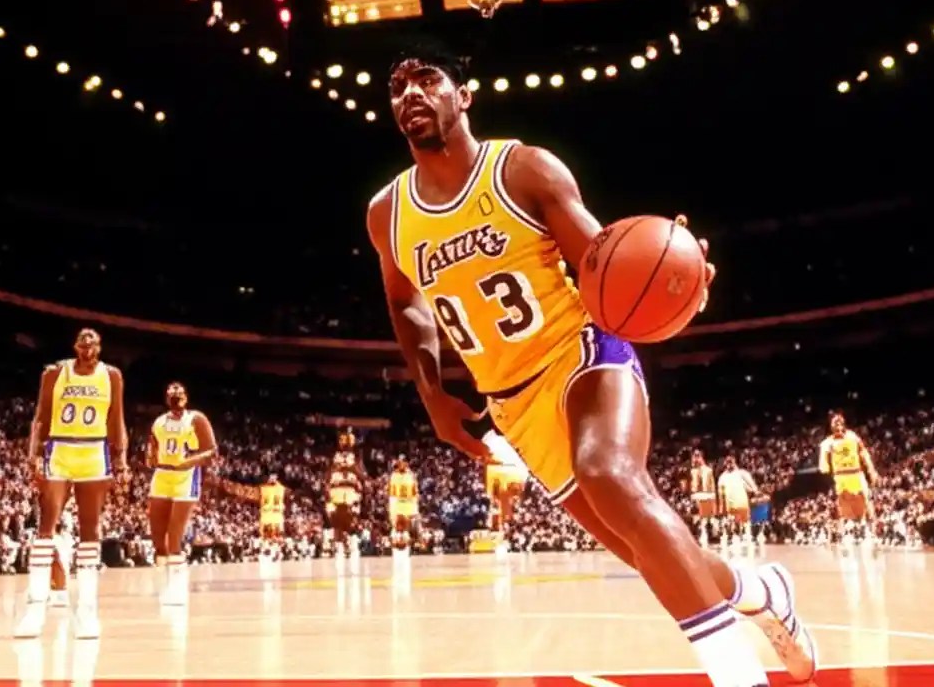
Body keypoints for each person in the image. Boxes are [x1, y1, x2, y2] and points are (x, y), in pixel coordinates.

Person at [365, 39, 815, 687]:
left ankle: (736, 677)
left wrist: (674, 275)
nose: (410, 92)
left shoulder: (522, 171)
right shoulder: (388, 214)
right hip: (510, 401)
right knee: (648, 552)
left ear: (464, 96)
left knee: (607, 471)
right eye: (397, 84)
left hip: (582, 354)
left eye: (427, 78)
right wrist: (432, 392)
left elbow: (604, 261)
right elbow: (405, 301)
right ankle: (761, 591)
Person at [16, 328, 128, 639]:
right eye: (83, 340)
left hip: (94, 452)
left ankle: (88, 611)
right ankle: (35, 607)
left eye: (93, 340)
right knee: (45, 526)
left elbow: (116, 418)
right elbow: (41, 416)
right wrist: (33, 454)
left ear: (100, 347)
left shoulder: (112, 376)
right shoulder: (55, 372)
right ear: (75, 345)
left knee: (91, 530)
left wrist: (121, 458)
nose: (87, 344)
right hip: (60, 450)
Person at [147, 382, 217, 605]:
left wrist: (187, 463)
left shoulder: (196, 419)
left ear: (186, 397)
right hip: (162, 474)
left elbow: (212, 451)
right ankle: (163, 582)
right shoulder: (159, 421)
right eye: (171, 394)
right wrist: (149, 454)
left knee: (174, 534)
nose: (175, 397)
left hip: (186, 476)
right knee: (158, 536)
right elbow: (153, 446)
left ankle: (176, 587)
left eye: (179, 394)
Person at [818, 412, 879, 547]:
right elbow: (823, 467)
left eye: (840, 421)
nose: (838, 423)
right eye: (835, 422)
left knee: (866, 500)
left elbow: (864, 453)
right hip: (840, 476)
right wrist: (825, 466)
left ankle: (873, 533)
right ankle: (847, 534)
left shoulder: (852, 436)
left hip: (856, 473)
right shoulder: (827, 443)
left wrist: (872, 470)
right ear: (831, 426)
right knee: (843, 505)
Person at [326, 429, 364, 558]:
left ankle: (351, 544)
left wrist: (350, 468)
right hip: (336, 490)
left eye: (347, 439)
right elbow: (329, 472)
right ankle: (337, 546)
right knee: (335, 520)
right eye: (342, 439)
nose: (345, 442)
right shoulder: (333, 455)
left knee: (351, 518)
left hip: (350, 490)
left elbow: (360, 473)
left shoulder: (356, 456)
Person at [717, 455, 759, 549]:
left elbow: (751, 484)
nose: (729, 464)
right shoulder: (723, 476)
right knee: (733, 520)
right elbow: (720, 491)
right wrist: (721, 505)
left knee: (744, 520)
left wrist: (755, 491)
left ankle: (746, 537)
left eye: (731, 462)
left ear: (734, 462)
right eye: (728, 462)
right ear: (725, 464)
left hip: (741, 500)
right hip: (730, 502)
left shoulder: (741, 473)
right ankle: (735, 537)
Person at [387, 455, 419, 554]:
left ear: (407, 463)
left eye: (403, 461)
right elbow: (392, 493)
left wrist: (415, 506)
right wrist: (392, 507)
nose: (401, 464)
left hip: (408, 504)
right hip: (397, 503)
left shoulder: (411, 475)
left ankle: (409, 545)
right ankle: (395, 545)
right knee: (397, 526)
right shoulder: (394, 475)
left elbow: (415, 492)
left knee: (408, 526)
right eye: (400, 461)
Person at [689, 449, 718, 546]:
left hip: (707, 495)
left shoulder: (708, 470)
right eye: (695, 456)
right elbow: (690, 485)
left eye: (698, 456)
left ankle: (709, 536)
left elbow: (712, 485)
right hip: (696, 495)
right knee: (697, 518)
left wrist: (713, 497)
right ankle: (698, 536)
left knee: (708, 518)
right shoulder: (692, 471)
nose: (696, 458)